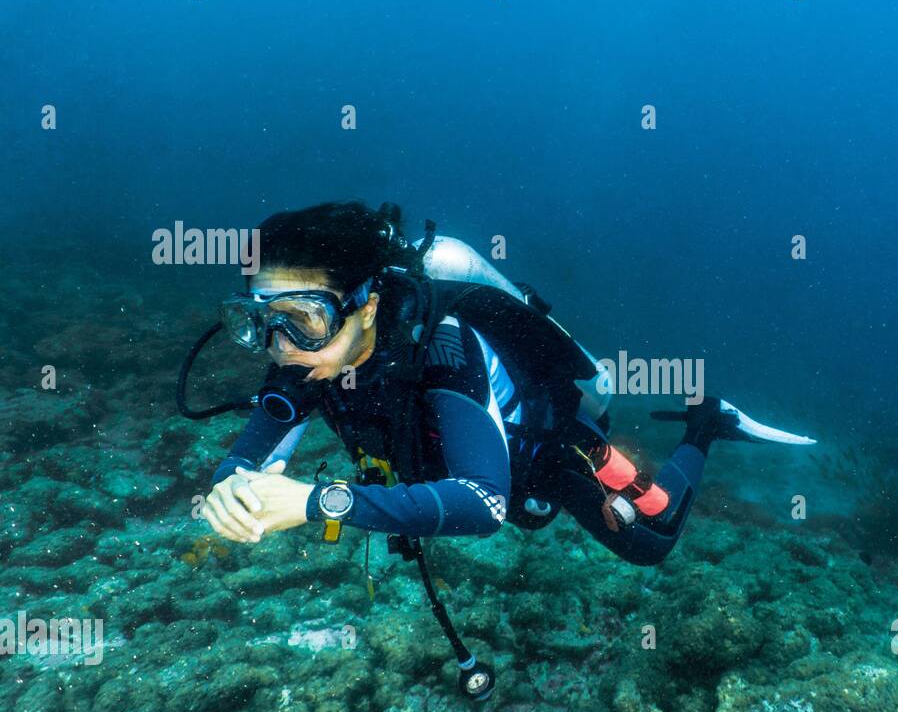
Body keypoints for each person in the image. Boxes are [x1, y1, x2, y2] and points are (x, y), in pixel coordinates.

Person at [200, 201, 814, 567]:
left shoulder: (443, 346)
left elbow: (484, 505)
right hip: (459, 463)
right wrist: (233, 489)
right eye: (259, 321)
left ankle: (709, 422)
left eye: (304, 318)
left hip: (540, 450)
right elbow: (254, 454)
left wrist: (318, 502)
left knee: (649, 543)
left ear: (367, 305)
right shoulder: (305, 359)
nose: (281, 347)